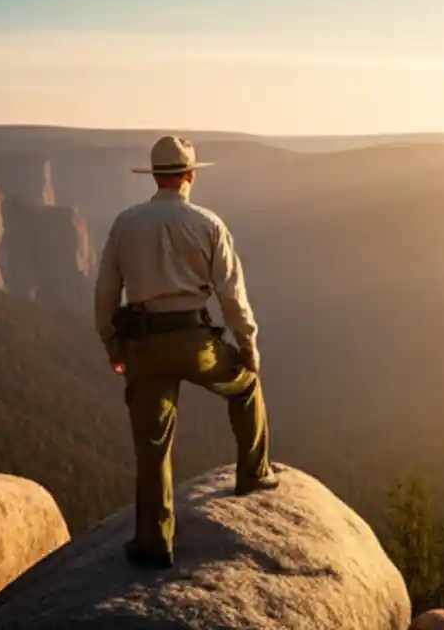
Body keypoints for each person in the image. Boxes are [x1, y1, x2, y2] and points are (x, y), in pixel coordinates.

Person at [94, 135, 277, 570]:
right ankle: (253, 474)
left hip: (143, 343)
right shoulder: (209, 224)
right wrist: (248, 345)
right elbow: (233, 296)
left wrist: (111, 342)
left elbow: (105, 291)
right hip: (196, 342)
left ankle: (155, 542)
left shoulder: (125, 223)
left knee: (153, 445)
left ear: (156, 176)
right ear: (190, 177)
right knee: (246, 387)